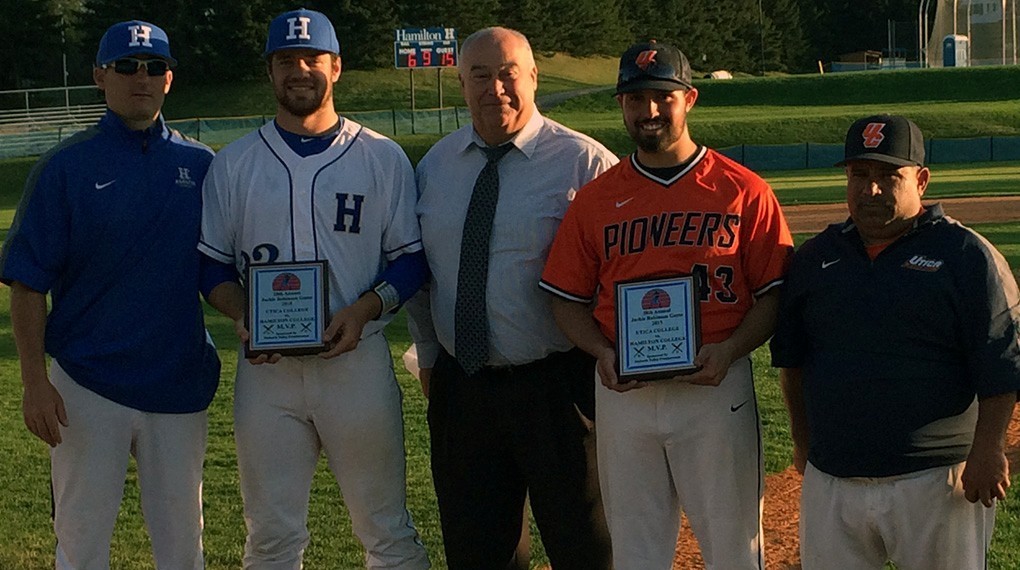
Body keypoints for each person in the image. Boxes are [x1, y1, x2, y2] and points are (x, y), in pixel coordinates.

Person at [539, 41, 794, 569]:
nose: (649, 110)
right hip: (624, 391)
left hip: (715, 387)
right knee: (636, 551)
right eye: (635, 98)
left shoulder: (742, 190)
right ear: (621, 104)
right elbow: (565, 300)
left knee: (734, 546)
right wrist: (599, 352)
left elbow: (773, 295)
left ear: (690, 99)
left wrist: (731, 349)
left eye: (662, 96)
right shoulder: (595, 198)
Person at [197, 9, 429, 569]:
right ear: (271, 73)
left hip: (357, 366)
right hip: (267, 373)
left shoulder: (381, 156)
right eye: (285, 61)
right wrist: (244, 311)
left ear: (336, 67)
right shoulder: (234, 165)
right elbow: (210, 271)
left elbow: (412, 264)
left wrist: (366, 308)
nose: (298, 70)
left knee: (387, 532)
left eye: (311, 59)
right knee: (271, 537)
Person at [0, 20, 220, 568]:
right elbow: (27, 282)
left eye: (153, 68)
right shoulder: (65, 167)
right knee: (81, 545)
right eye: (126, 66)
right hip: (86, 387)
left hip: (177, 385)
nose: (140, 78)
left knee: (183, 551)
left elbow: (223, 273)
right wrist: (33, 382)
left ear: (169, 79)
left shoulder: (202, 165)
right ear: (100, 75)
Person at [406, 26, 618, 570]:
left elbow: (619, 281)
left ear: (533, 78)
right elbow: (423, 276)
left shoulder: (586, 166)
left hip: (558, 386)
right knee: (478, 555)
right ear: (460, 82)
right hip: (464, 387)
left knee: (587, 547)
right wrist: (430, 358)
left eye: (508, 74)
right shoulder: (435, 166)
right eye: (480, 74)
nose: (494, 87)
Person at [771, 114, 1020, 569]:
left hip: (934, 476)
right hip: (834, 479)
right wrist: (804, 443)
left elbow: (1000, 362)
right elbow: (793, 362)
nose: (872, 190)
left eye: (890, 175)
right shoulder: (816, 257)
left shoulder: (964, 254)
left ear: (921, 180)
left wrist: (988, 449)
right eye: (860, 175)